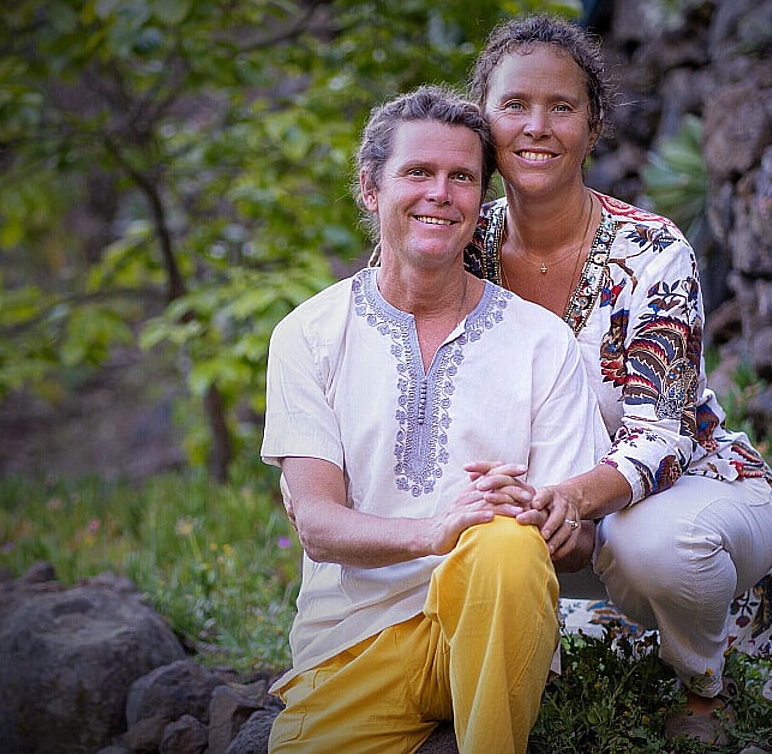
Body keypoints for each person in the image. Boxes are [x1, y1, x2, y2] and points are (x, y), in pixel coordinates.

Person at [463, 14, 772, 745]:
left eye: (562, 107)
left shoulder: (652, 252)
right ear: (483, 119)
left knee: (653, 547)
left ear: (595, 123)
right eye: (514, 105)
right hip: (542, 514)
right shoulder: (459, 247)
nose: (537, 126)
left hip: (686, 491)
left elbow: (661, 439)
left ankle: (703, 686)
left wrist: (569, 501)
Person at [260, 85, 609, 754]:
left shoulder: (541, 343)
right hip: (354, 641)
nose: (440, 194)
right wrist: (440, 528)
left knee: (503, 544)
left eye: (462, 178)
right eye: (418, 172)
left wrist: (549, 520)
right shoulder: (308, 334)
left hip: (494, 634)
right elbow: (318, 525)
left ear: (482, 201)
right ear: (370, 187)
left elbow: (583, 545)